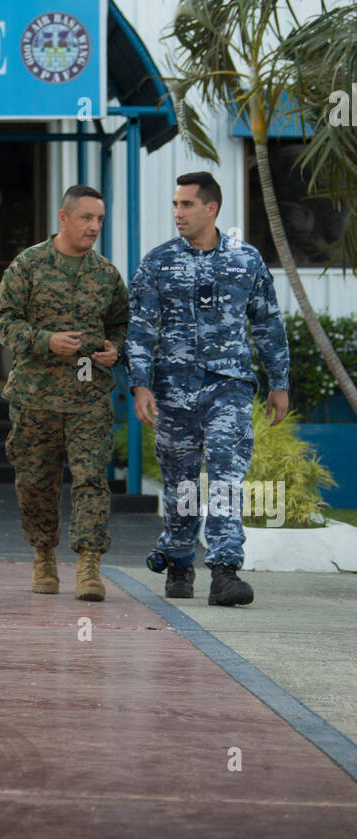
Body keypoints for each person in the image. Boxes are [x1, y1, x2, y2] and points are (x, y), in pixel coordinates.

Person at [126, 171, 290, 606]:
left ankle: (224, 570)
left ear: (211, 208)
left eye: (186, 205)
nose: (178, 213)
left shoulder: (246, 260)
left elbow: (267, 323)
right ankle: (179, 562)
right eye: (175, 205)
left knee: (225, 473)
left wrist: (280, 382)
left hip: (229, 387)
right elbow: (140, 328)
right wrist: (140, 384)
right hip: (173, 391)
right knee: (180, 482)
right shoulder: (157, 261)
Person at [0, 186, 129, 601]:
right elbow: (2, 320)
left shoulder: (106, 274)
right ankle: (43, 555)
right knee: (36, 482)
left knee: (91, 479)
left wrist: (115, 349)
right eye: (87, 218)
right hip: (36, 397)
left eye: (100, 219)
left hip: (89, 396)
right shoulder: (29, 265)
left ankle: (89, 565)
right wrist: (44, 340)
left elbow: (121, 323)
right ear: (63, 218)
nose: (94, 227)